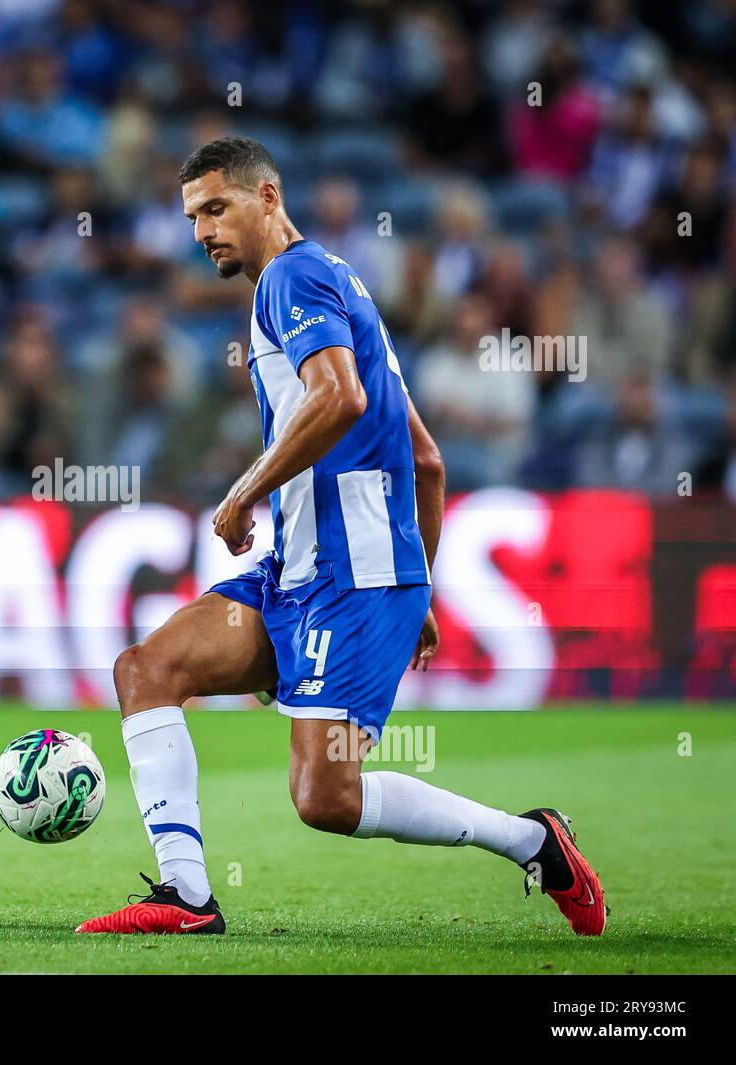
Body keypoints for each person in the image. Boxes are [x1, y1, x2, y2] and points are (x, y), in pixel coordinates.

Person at [76, 138, 606, 937]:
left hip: (348, 576)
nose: (203, 231)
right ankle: (185, 897)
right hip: (302, 569)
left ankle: (535, 840)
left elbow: (341, 398)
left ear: (268, 196)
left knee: (326, 799)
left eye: (217, 208)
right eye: (192, 217)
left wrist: (242, 490)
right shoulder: (331, 285)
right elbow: (425, 459)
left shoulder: (293, 276)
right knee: (146, 670)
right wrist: (420, 584)